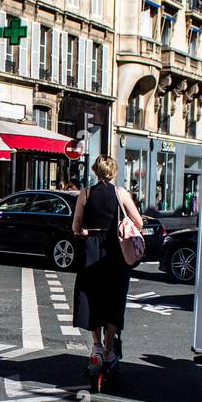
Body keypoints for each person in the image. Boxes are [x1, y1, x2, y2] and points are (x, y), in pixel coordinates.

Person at [71, 155, 143, 374]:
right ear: (114, 172)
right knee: (114, 298)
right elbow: (138, 222)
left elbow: (76, 227)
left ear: (95, 172)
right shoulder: (121, 193)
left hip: (91, 250)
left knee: (92, 297)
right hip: (115, 252)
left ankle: (96, 347)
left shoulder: (85, 193)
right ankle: (110, 347)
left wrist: (85, 231)